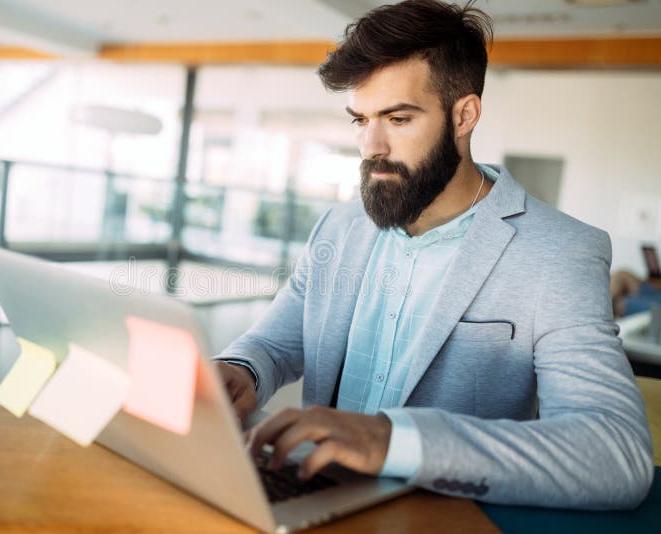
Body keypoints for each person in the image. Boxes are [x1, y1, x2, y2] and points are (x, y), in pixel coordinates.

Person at [214, 0, 653, 509]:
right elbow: (276, 342)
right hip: (307, 495)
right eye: (360, 119)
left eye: (398, 118)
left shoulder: (560, 253)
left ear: (464, 115)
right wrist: (240, 370)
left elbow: (616, 454)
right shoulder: (340, 224)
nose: (370, 145)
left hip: (434, 517)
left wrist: (394, 441)